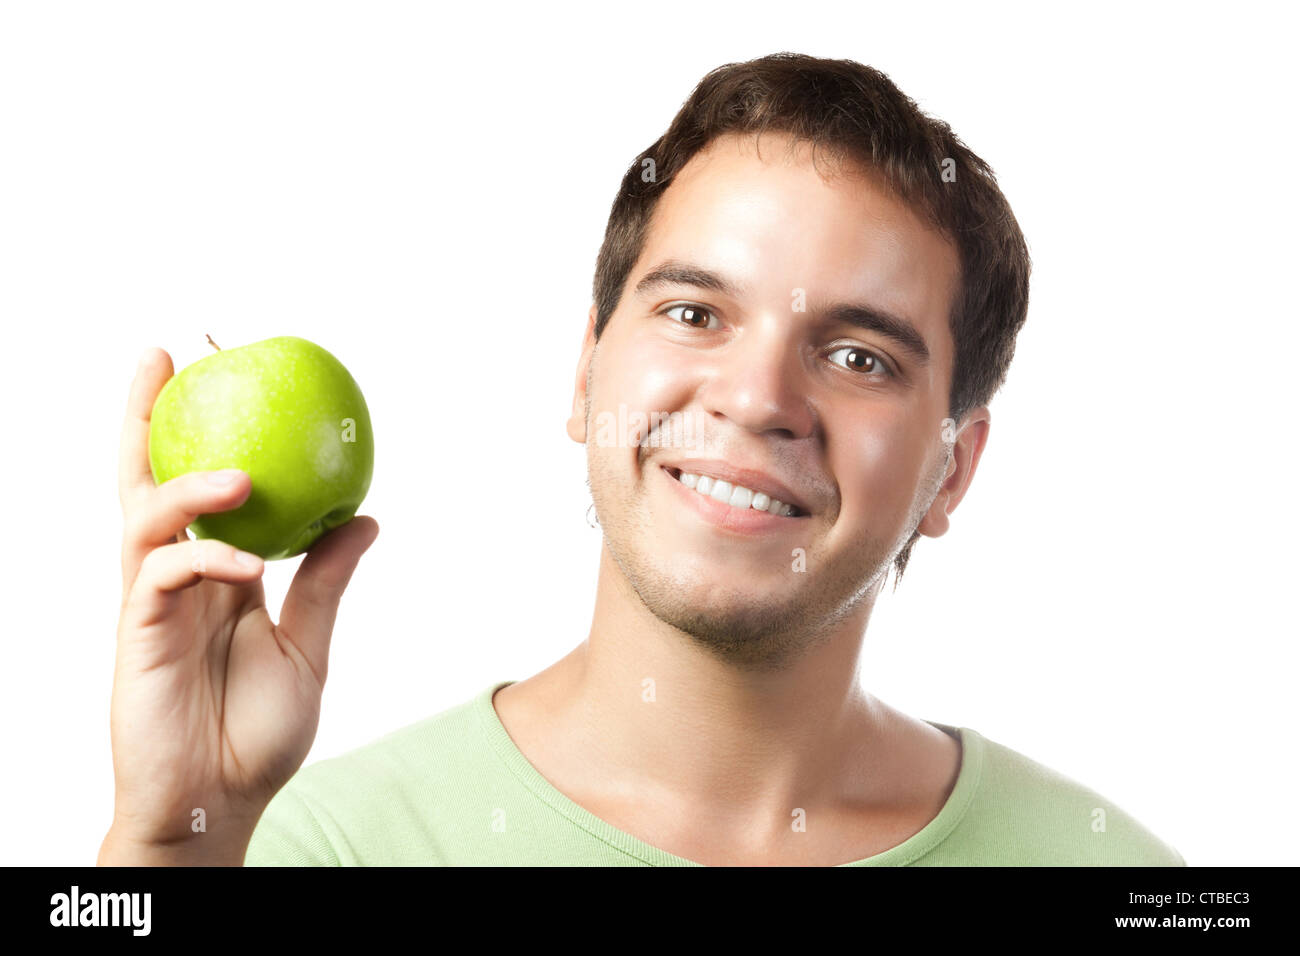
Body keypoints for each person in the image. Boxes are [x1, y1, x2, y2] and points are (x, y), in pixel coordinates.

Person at [100, 52, 1184, 866]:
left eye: (858, 355)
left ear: (953, 468)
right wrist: (168, 841)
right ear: (584, 373)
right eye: (696, 311)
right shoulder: (318, 844)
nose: (759, 399)